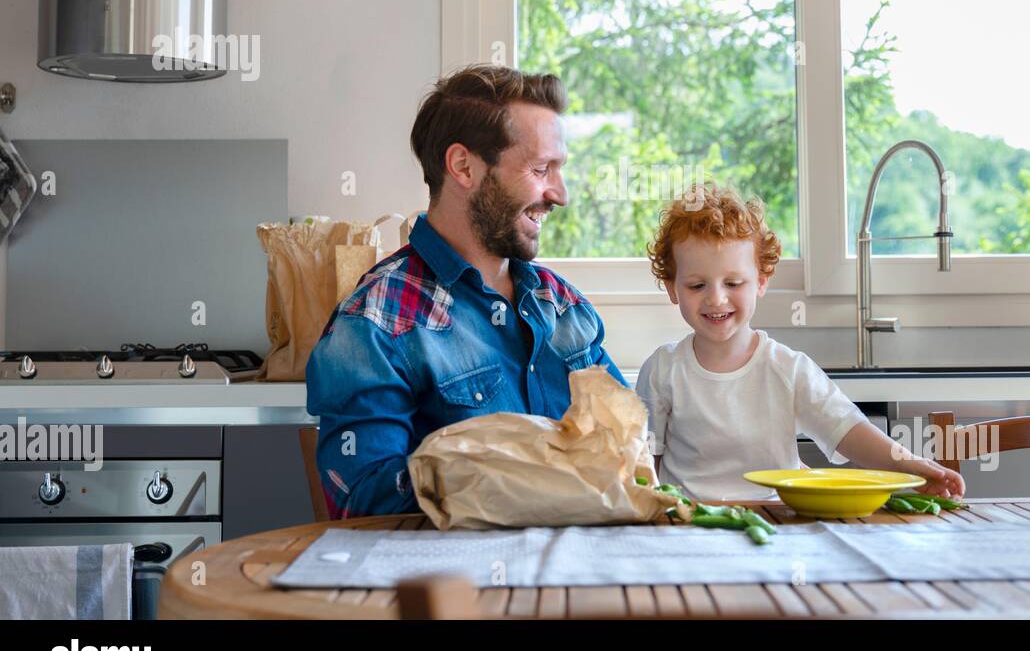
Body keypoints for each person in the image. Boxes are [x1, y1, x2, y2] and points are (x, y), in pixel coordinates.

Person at [306, 64, 624, 518]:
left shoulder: (563, 307)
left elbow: (622, 446)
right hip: (456, 585)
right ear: (463, 167)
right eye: (540, 169)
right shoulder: (376, 321)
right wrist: (512, 479)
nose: (560, 194)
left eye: (559, 170)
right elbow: (365, 503)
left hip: (573, 575)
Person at [636, 182, 966, 503]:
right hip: (690, 525)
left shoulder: (788, 368)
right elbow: (645, 462)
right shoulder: (662, 370)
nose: (716, 299)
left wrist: (909, 464)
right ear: (672, 289)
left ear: (761, 282)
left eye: (734, 282)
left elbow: (847, 428)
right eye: (696, 286)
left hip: (775, 523)